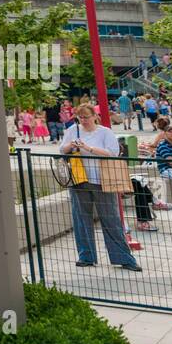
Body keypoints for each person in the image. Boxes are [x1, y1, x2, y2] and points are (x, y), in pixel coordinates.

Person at [60, 102, 141, 271]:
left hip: (103, 180)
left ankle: (123, 258)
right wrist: (71, 145)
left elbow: (113, 152)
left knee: (111, 219)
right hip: (79, 180)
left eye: (86, 117)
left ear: (95, 116)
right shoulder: (72, 130)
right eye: (80, 117)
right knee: (81, 219)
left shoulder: (105, 132)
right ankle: (86, 256)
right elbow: (62, 149)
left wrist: (88, 148)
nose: (83, 120)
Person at [155, 124, 172, 191]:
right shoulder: (162, 145)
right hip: (167, 169)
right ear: (164, 134)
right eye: (170, 131)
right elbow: (170, 161)